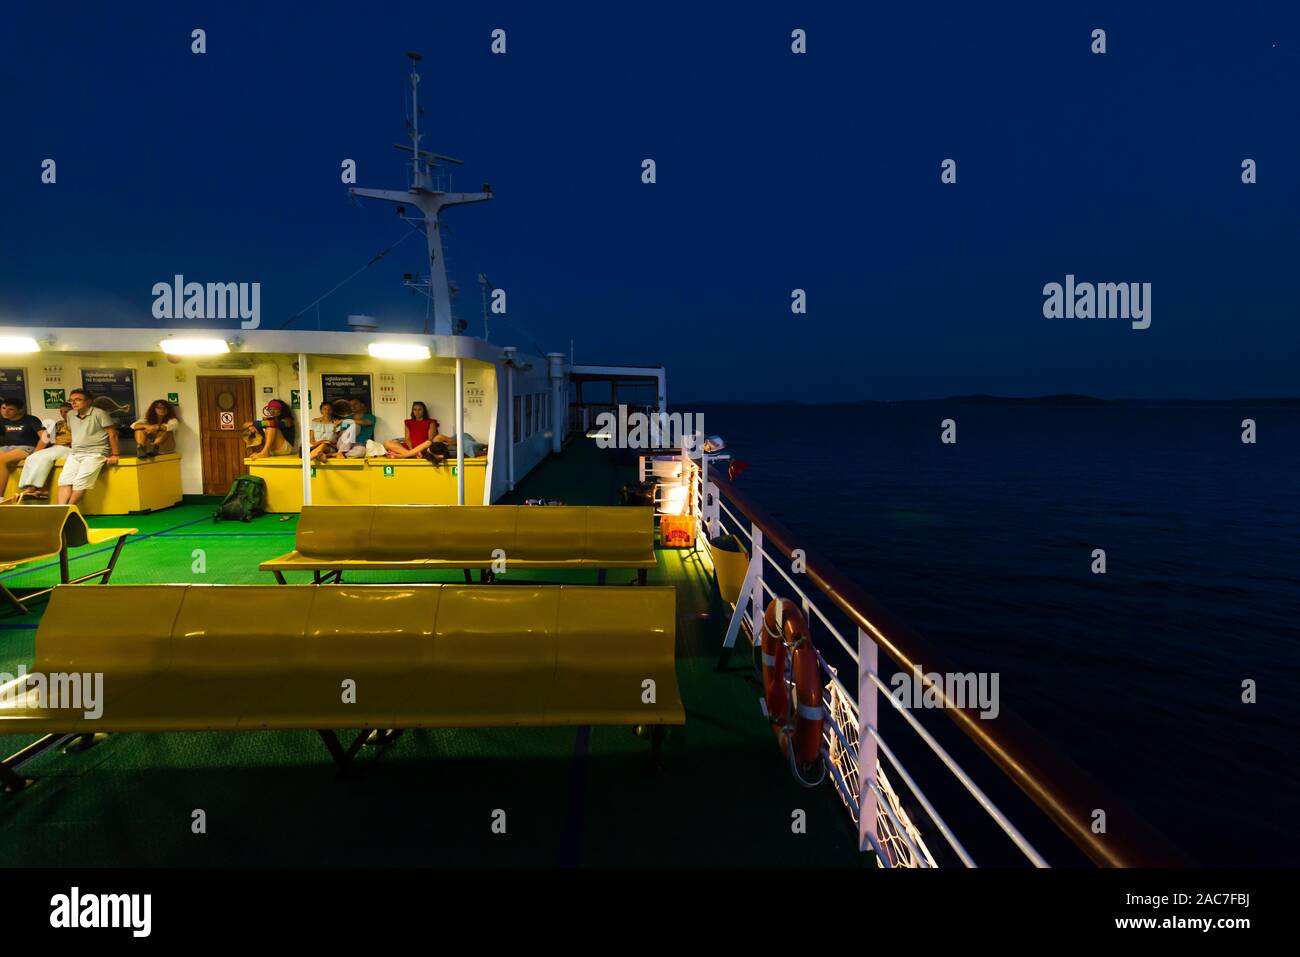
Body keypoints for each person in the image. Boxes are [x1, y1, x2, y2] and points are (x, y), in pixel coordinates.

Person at [57, 389, 120, 506]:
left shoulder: (99, 413)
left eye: (77, 400)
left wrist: (115, 455)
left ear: (88, 401)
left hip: (95, 453)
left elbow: (113, 434)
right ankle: (61, 509)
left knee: (80, 482)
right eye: (71, 400)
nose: (73, 403)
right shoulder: (70, 414)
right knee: (64, 481)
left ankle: (68, 511)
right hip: (75, 454)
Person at [14, 402, 73, 500]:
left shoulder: (78, 423)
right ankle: (27, 487)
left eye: (66, 411)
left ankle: (38, 488)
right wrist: (60, 440)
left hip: (70, 449)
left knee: (45, 457)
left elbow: (75, 439)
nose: (63, 414)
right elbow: (51, 439)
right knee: (32, 457)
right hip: (56, 447)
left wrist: (61, 440)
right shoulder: (59, 423)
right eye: (61, 411)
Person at [0, 397, 49, 499]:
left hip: (26, 447)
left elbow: (45, 437)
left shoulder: (31, 419)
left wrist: (36, 453)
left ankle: (0, 497)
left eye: (11, 409)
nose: (6, 412)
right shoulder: (3, 421)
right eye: (4, 408)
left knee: (2, 460)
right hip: (7, 448)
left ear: (20, 410)